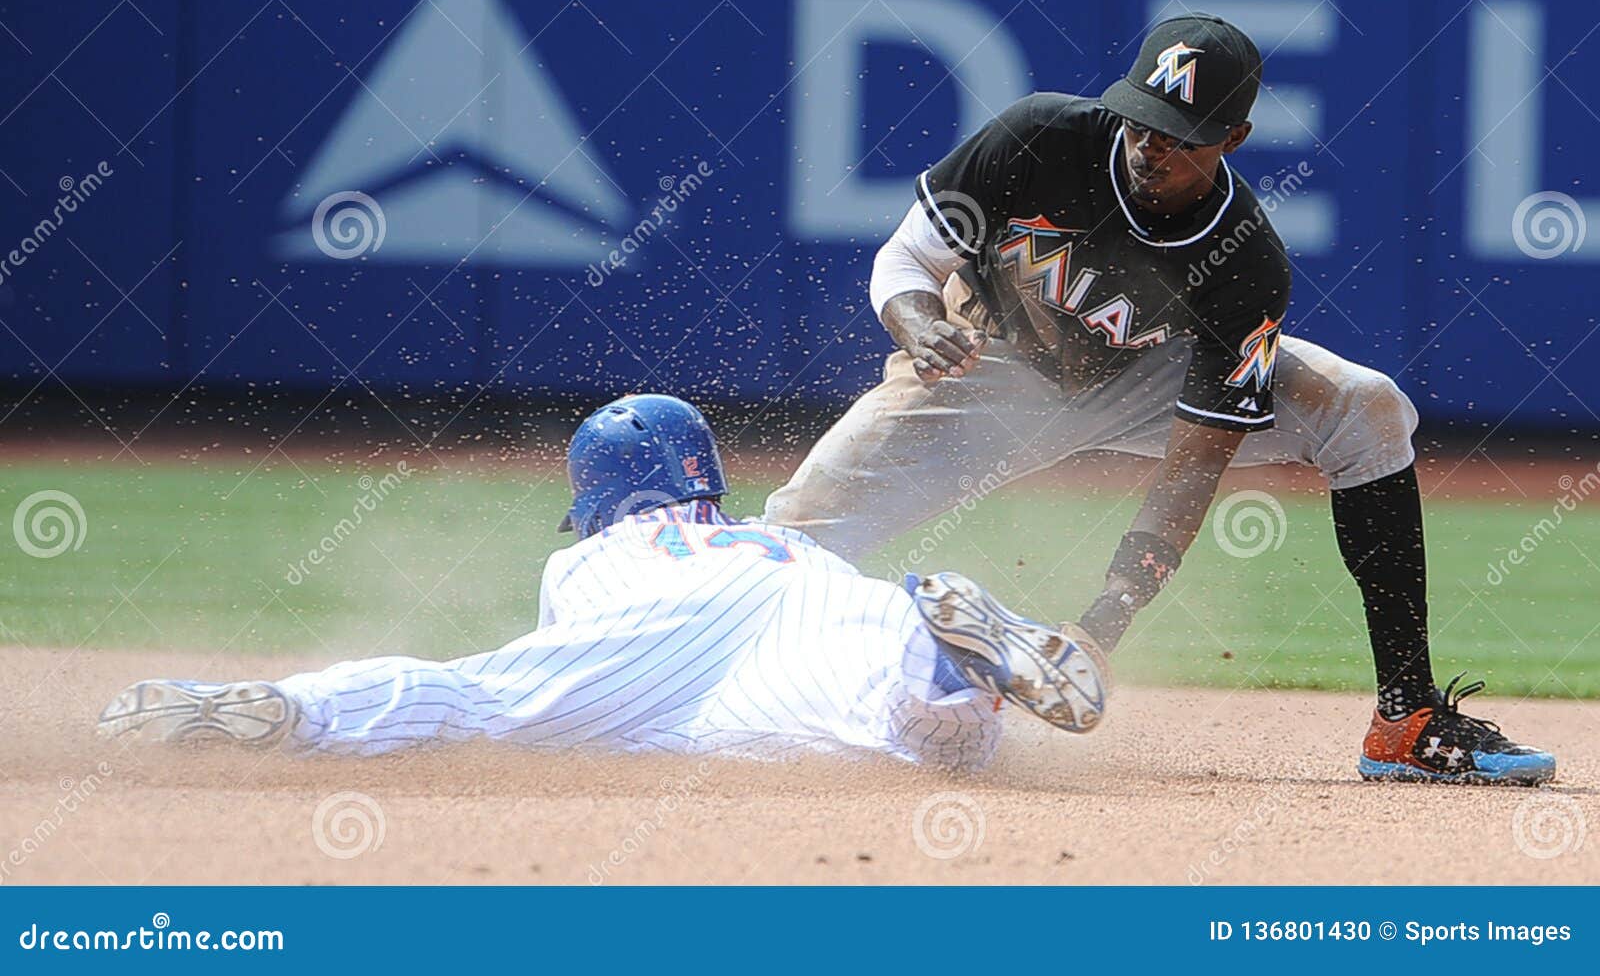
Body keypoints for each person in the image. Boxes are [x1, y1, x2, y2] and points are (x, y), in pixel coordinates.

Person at [764, 14, 1555, 785]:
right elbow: (907, 257)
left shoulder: (1244, 259)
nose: (1152, 147)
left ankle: (1407, 719)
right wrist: (918, 322)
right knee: (792, 532)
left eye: (1182, 135)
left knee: (1368, 405)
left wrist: (1103, 622)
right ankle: (716, 689)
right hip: (984, 364)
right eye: (1144, 121)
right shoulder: (1038, 137)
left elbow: (1193, 465)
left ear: (1234, 140)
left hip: (1149, 379)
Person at [98, 395, 1107, 770]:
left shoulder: (584, 556)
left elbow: (572, 667)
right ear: (702, 473)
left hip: (658, 627)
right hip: (828, 589)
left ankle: (289, 709)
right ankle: (941, 659)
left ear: (596, 496)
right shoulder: (772, 535)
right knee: (907, 729)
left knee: (475, 695)